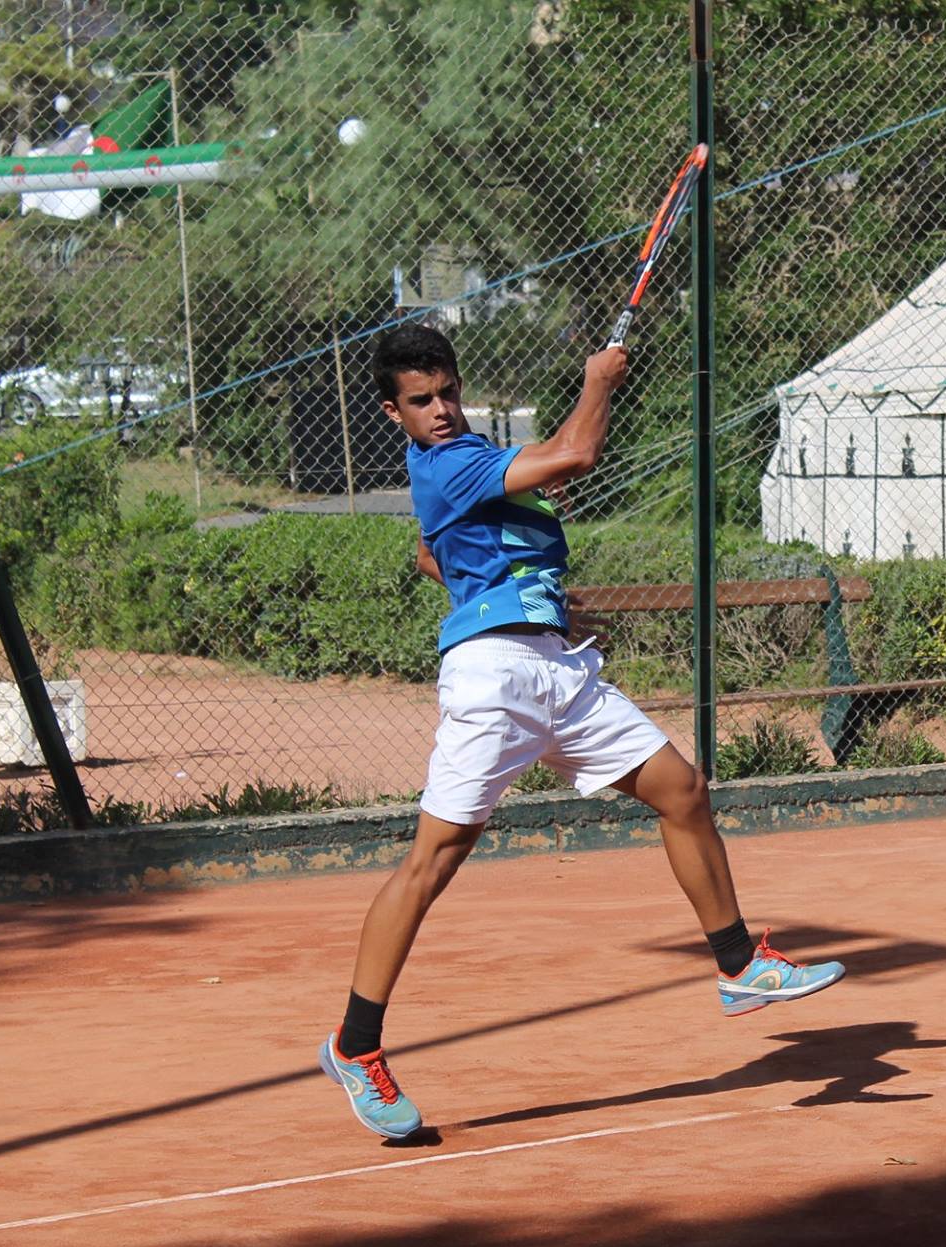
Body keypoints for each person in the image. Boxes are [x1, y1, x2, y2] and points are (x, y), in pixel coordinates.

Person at [319, 323, 844, 1140]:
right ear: (395, 414)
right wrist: (599, 380)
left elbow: (435, 552)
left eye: (448, 392)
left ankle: (741, 965)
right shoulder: (449, 462)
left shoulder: (474, 455)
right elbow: (576, 454)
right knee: (432, 863)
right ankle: (356, 1047)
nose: (441, 410)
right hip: (492, 681)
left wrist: (520, 598)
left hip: (557, 668)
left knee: (682, 789)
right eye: (421, 402)